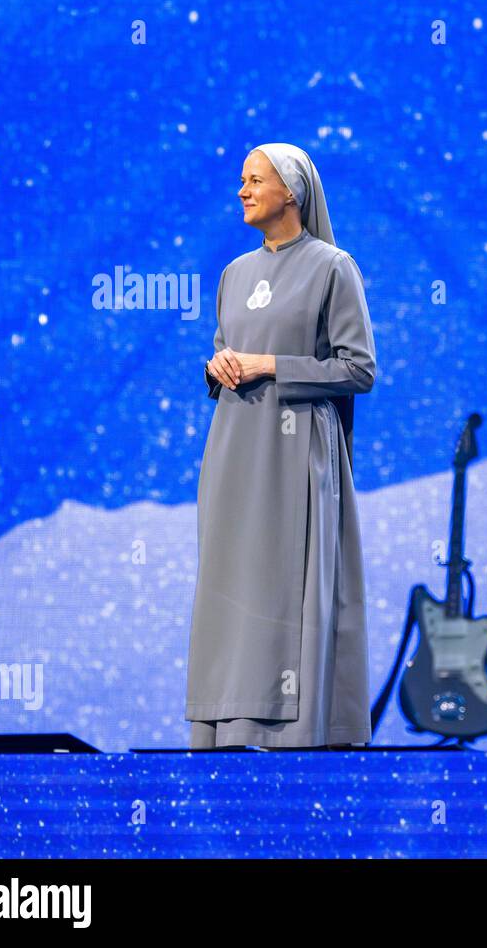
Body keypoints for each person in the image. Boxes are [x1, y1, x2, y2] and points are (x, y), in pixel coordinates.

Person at [187, 142, 377, 749]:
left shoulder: (331, 266)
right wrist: (218, 367)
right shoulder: (233, 274)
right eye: (241, 180)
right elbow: (226, 351)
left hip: (297, 456)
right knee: (233, 583)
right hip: (235, 450)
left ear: (290, 192)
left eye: (254, 180)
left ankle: (296, 729)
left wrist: (270, 363)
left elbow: (358, 370)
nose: (241, 191)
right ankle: (228, 722)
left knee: (288, 584)